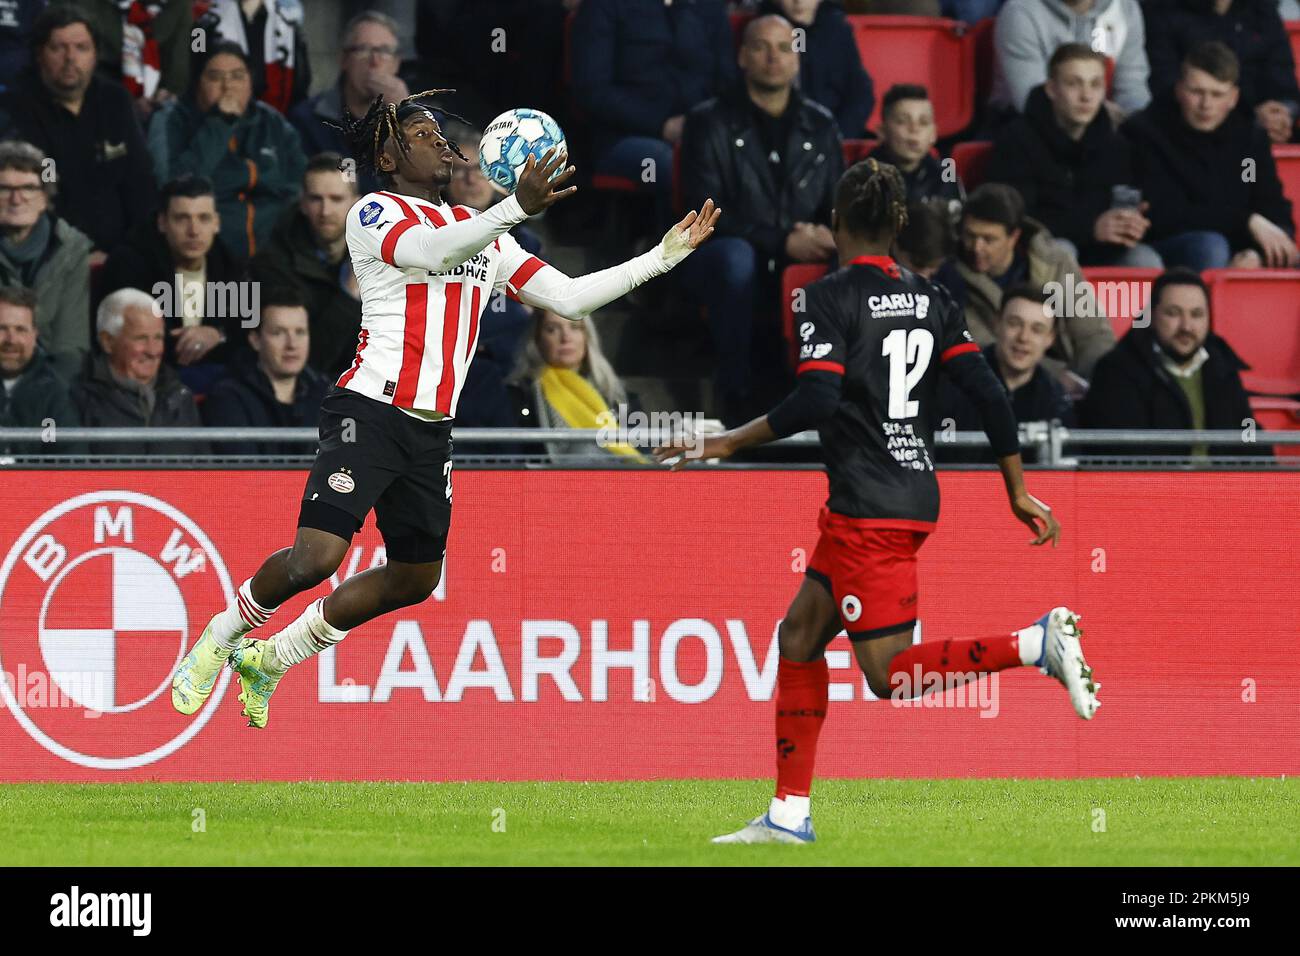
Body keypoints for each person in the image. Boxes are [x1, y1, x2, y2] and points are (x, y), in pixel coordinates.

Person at [169, 91, 720, 729]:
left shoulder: (483, 233)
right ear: (387, 152)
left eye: (442, 134)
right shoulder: (373, 213)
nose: (442, 143)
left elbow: (569, 300)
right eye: (423, 134)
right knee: (316, 558)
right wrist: (515, 208)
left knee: (415, 577)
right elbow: (434, 255)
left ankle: (277, 657)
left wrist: (664, 256)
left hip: (431, 432)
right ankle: (221, 634)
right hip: (367, 410)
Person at [654, 158, 1098, 845]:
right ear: (898, 225)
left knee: (889, 676)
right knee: (799, 637)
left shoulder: (828, 297)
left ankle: (1035, 643)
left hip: (869, 505)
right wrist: (1016, 489)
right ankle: (788, 816)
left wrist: (728, 441)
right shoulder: (932, 297)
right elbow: (988, 393)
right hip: (904, 492)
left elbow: (817, 398)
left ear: (835, 223)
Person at [678, 13, 843, 423]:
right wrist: (783, 240)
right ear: (742, 57)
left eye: (785, 48)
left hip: (799, 258)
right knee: (737, 258)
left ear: (798, 59)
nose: (774, 57)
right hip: (721, 256)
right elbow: (703, 215)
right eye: (761, 47)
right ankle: (735, 392)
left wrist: (828, 233)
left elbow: (839, 204)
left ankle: (836, 397)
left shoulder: (821, 125)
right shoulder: (707, 121)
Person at [1122, 41, 1297, 269]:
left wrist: (1256, 253)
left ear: (1233, 97)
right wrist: (1245, 221)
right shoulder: (1145, 133)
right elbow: (1164, 213)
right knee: (1211, 247)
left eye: (1217, 94)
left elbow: (1267, 202)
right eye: (1197, 92)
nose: (1206, 104)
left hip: (1236, 245)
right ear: (1179, 90)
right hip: (1168, 245)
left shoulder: (1249, 147)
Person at [0, 3, 157, 257]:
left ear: (95, 55)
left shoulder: (115, 100)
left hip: (122, 256)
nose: (70, 58)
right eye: (58, 48)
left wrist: (129, 256)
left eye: (81, 48)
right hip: (49, 259)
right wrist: (76, 256)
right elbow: (39, 198)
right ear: (39, 53)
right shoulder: (15, 109)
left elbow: (140, 186)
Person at [988, 43, 1161, 267]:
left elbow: (1131, 203)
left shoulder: (1117, 144)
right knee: (1062, 252)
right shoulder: (1016, 139)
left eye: (1096, 85)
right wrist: (1091, 227)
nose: (1086, 96)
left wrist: (1133, 221)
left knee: (1145, 260)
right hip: (1040, 252)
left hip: (1102, 249)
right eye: (1073, 84)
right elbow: (1019, 220)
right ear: (1051, 88)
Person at [571, 0, 737, 227]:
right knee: (675, 166)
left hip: (703, 132)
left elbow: (728, 82)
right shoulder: (603, 6)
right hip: (624, 138)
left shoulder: (708, 7)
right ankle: (673, 252)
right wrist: (662, 124)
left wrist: (706, 124)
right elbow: (592, 91)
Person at [1082, 266, 1271, 457]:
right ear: (1152, 317)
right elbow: (1124, 456)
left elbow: (1248, 433)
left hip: (1224, 486)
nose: (1186, 326)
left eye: (1196, 314)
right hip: (1156, 486)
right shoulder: (1116, 372)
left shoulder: (1223, 367)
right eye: (1173, 313)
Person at [148, 40, 307, 261]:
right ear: (197, 83)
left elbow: (300, 188)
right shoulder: (170, 119)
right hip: (204, 255)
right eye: (215, 77)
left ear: (250, 82)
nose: (227, 87)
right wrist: (219, 124)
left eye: (237, 76)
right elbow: (172, 187)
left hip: (274, 256)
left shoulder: (272, 122)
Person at [98, 174, 247, 392]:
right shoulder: (129, 265)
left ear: (217, 223)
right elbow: (128, 343)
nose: (194, 231)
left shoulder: (231, 264)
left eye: (203, 218)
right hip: (148, 383)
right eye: (181, 218)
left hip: (220, 383)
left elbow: (248, 333)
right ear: (162, 222)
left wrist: (218, 335)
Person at [955, 183, 1114, 381]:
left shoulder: (1056, 262)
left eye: (988, 239)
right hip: (1006, 380)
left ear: (1014, 237)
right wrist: (1059, 379)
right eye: (970, 236)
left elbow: (1093, 333)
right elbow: (987, 347)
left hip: (1075, 375)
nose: (976, 248)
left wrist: (1105, 375)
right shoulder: (952, 276)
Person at [249, 153, 363, 379]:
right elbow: (306, 363)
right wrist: (350, 294)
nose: (325, 211)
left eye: (336, 199)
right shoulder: (273, 264)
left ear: (357, 203)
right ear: (302, 203)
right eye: (316, 199)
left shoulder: (382, 251)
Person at [938, 285, 1076, 463]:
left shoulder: (1056, 400)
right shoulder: (953, 381)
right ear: (997, 324)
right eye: (1014, 324)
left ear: (1050, 339)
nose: (1023, 337)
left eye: (1037, 329)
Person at [72, 287, 208, 455]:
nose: (153, 351)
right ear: (107, 342)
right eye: (141, 338)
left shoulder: (180, 396)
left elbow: (205, 472)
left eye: (158, 338)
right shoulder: (77, 400)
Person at [1144, 0, 1300, 145]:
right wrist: (1250, 119)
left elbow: (1284, 84)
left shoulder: (1263, 11)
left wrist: (1280, 115)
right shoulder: (1162, 11)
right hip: (1187, 138)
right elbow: (1164, 87)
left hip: (1261, 139)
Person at [0, 139, 92, 382]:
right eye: (5, 188)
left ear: (44, 198)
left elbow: (70, 346)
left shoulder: (71, 251)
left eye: (29, 188)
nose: (16, 199)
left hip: (51, 384)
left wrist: (44, 397)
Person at [288, 9, 408, 192]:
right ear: (343, 59)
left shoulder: (425, 120)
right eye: (363, 50)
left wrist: (405, 115)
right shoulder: (308, 120)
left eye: (384, 51)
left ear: (397, 63)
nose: (375, 62)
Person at [505, 309, 642, 462]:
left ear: (586, 337)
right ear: (537, 339)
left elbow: (644, 453)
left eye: (575, 327)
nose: (566, 337)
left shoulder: (618, 397)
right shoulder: (517, 396)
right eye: (552, 329)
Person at [201, 291, 327, 455]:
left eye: (300, 332)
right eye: (278, 333)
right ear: (256, 340)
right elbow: (244, 473)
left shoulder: (328, 394)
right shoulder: (227, 397)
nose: (292, 344)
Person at [991, 0, 1152, 121]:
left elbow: (1133, 89)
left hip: (1106, 130)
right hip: (1028, 128)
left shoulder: (1125, 8)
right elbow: (1032, 102)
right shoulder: (1020, 12)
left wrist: (1140, 128)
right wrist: (1103, 116)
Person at [757, 0, 875, 139]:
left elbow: (860, 92)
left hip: (834, 132)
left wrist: (838, 136)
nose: (798, 2)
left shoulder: (837, 29)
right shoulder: (762, 31)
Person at [0, 284, 82, 455]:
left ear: (34, 335)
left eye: (20, 329)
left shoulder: (55, 392)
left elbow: (69, 457)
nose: (11, 339)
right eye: (2, 328)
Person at [205, 0, 311, 114]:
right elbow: (196, 83)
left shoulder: (289, 25)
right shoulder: (204, 26)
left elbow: (300, 90)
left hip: (278, 124)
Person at [869, 85, 964, 211]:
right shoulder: (864, 176)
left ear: (933, 134)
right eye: (902, 121)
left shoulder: (946, 174)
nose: (914, 129)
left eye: (923, 122)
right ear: (882, 131)